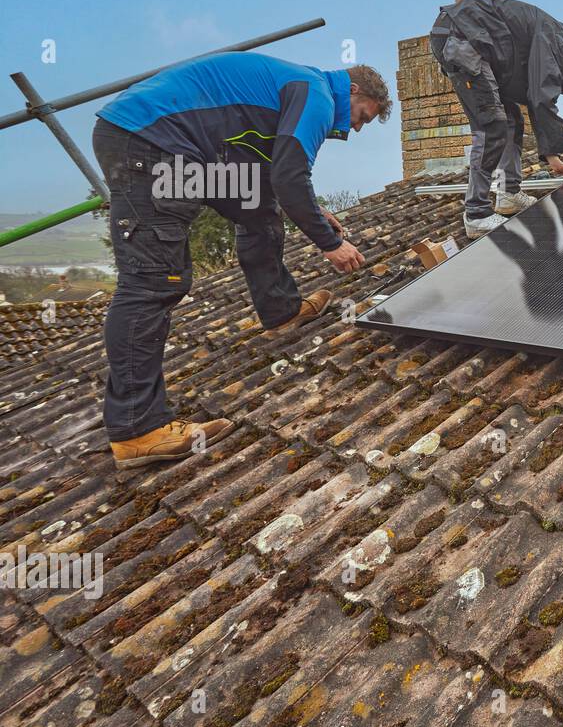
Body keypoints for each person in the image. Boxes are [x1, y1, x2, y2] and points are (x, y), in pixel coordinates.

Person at [91, 51, 390, 468]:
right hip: (149, 141)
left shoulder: (299, 85)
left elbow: (270, 173)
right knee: (154, 281)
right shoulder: (319, 94)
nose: (355, 127)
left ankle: (282, 310)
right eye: (361, 116)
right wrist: (329, 243)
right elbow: (290, 173)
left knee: (260, 212)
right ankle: (137, 429)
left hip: (182, 145)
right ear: (353, 91)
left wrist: (311, 210)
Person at [429, 0, 563, 237]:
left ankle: (508, 193)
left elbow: (538, 99)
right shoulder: (559, 43)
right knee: (492, 125)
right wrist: (558, 154)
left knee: (512, 120)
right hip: (462, 37)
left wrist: (560, 152)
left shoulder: (557, 46)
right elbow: (542, 98)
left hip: (475, 44)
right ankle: (476, 213)